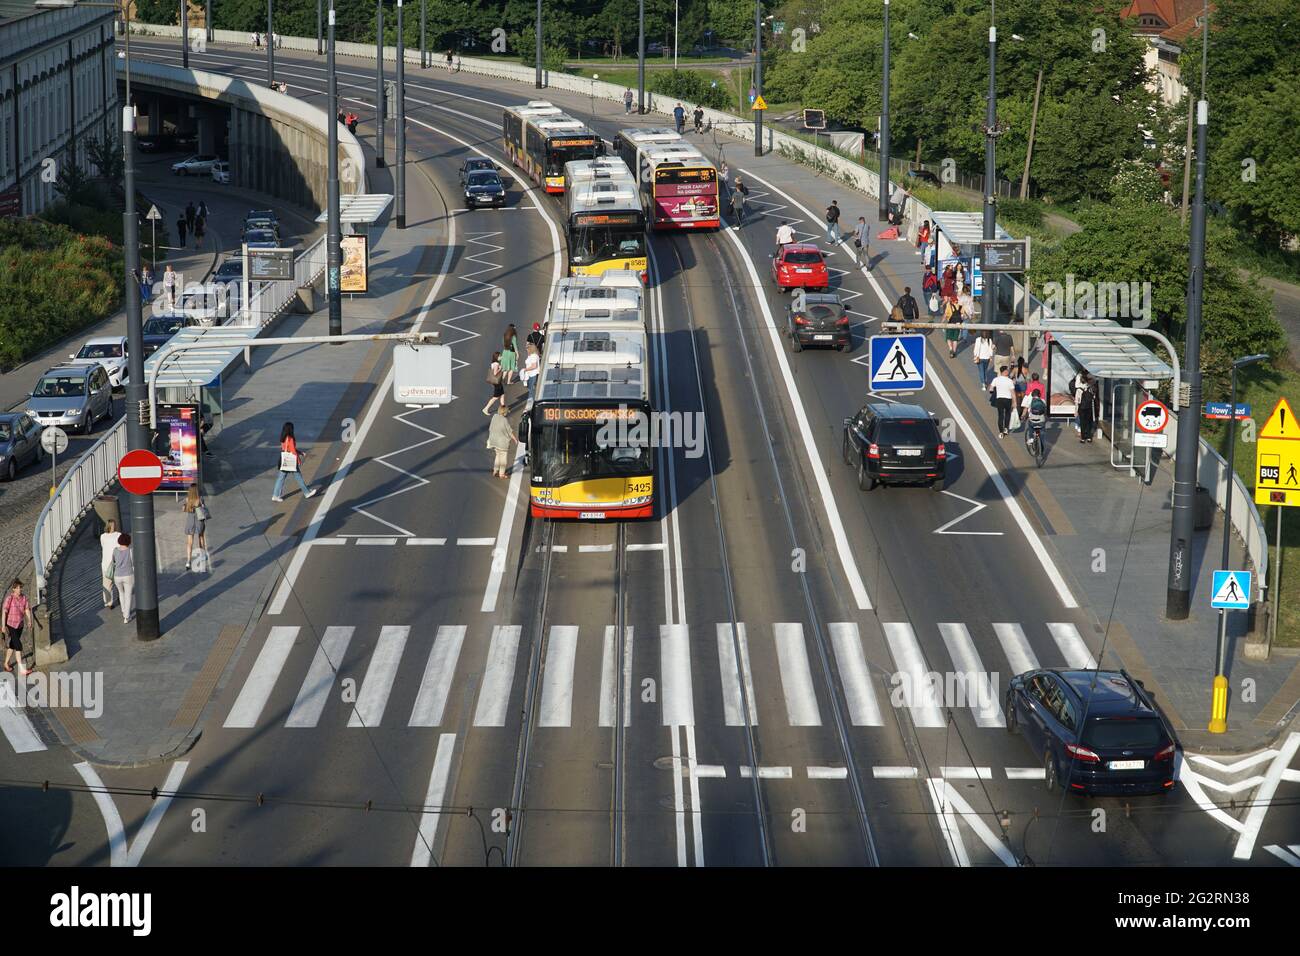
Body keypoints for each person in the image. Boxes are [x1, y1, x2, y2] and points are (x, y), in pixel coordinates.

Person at [273, 422, 317, 502]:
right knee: (298, 477)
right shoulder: (290, 438)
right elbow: (293, 451)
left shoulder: (283, 437)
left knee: (281, 478)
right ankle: (307, 493)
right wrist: (299, 460)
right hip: (291, 460)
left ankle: (275, 495)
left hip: (284, 459)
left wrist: (300, 452)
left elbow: (288, 449)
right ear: (290, 429)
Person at [2, 579, 34, 675]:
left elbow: (27, 609)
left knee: (12, 644)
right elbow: (4, 612)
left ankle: (6, 663)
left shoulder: (23, 598)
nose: (20, 589)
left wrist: (29, 620)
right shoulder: (9, 599)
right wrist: (3, 626)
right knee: (18, 646)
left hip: (19, 625)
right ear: (13, 589)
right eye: (18, 588)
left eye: (21, 587)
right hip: (11, 625)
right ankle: (22, 669)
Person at [182, 485, 209, 572]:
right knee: (201, 538)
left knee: (189, 542)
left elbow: (184, 510)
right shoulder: (200, 499)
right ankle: (202, 555)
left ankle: (188, 561)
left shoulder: (187, 500)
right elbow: (204, 509)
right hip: (199, 521)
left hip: (190, 522)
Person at [112, 534, 134, 625]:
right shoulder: (130, 550)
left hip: (117, 576)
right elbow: (133, 563)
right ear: (128, 541)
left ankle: (123, 610)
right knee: (128, 595)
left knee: (121, 593)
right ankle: (127, 617)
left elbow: (113, 561)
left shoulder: (115, 550)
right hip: (128, 575)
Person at [487, 405, 514, 479]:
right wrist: (514, 439)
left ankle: (495, 471)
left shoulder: (494, 417)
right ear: (505, 412)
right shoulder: (504, 420)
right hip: (502, 443)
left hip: (494, 441)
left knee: (497, 456)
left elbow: (491, 428)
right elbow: (509, 431)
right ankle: (501, 474)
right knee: (503, 459)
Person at [988, 365, 1016, 437]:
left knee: (1000, 415)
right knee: (1007, 414)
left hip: (999, 399)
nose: (1008, 371)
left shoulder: (996, 379)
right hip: (1008, 399)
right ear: (1005, 372)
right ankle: (1006, 428)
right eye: (1007, 370)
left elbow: (991, 389)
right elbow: (1013, 393)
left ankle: (1001, 432)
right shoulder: (1010, 381)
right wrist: (1014, 402)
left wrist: (993, 391)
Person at [99, 519, 119, 609]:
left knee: (108, 584)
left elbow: (103, 546)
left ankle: (109, 602)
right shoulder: (118, 535)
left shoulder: (103, 537)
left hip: (108, 563)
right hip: (115, 562)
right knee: (117, 583)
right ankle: (117, 599)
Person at [1076, 372, 1100, 443]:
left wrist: (1076, 411)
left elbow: (1077, 401)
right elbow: (1094, 397)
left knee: (1082, 423)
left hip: (1082, 408)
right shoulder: (1091, 388)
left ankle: (1083, 438)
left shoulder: (1079, 389)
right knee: (1089, 422)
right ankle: (1089, 437)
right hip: (1089, 407)